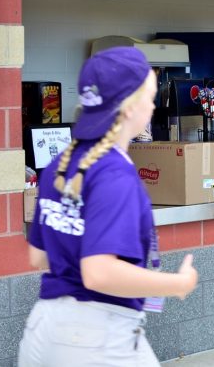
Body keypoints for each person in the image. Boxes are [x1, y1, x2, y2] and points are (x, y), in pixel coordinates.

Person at [18, 47, 198, 366]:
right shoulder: (115, 175)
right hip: (96, 338)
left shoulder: (62, 163)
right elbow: (99, 273)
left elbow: (39, 255)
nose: (153, 106)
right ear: (129, 107)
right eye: (150, 96)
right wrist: (178, 283)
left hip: (43, 328)